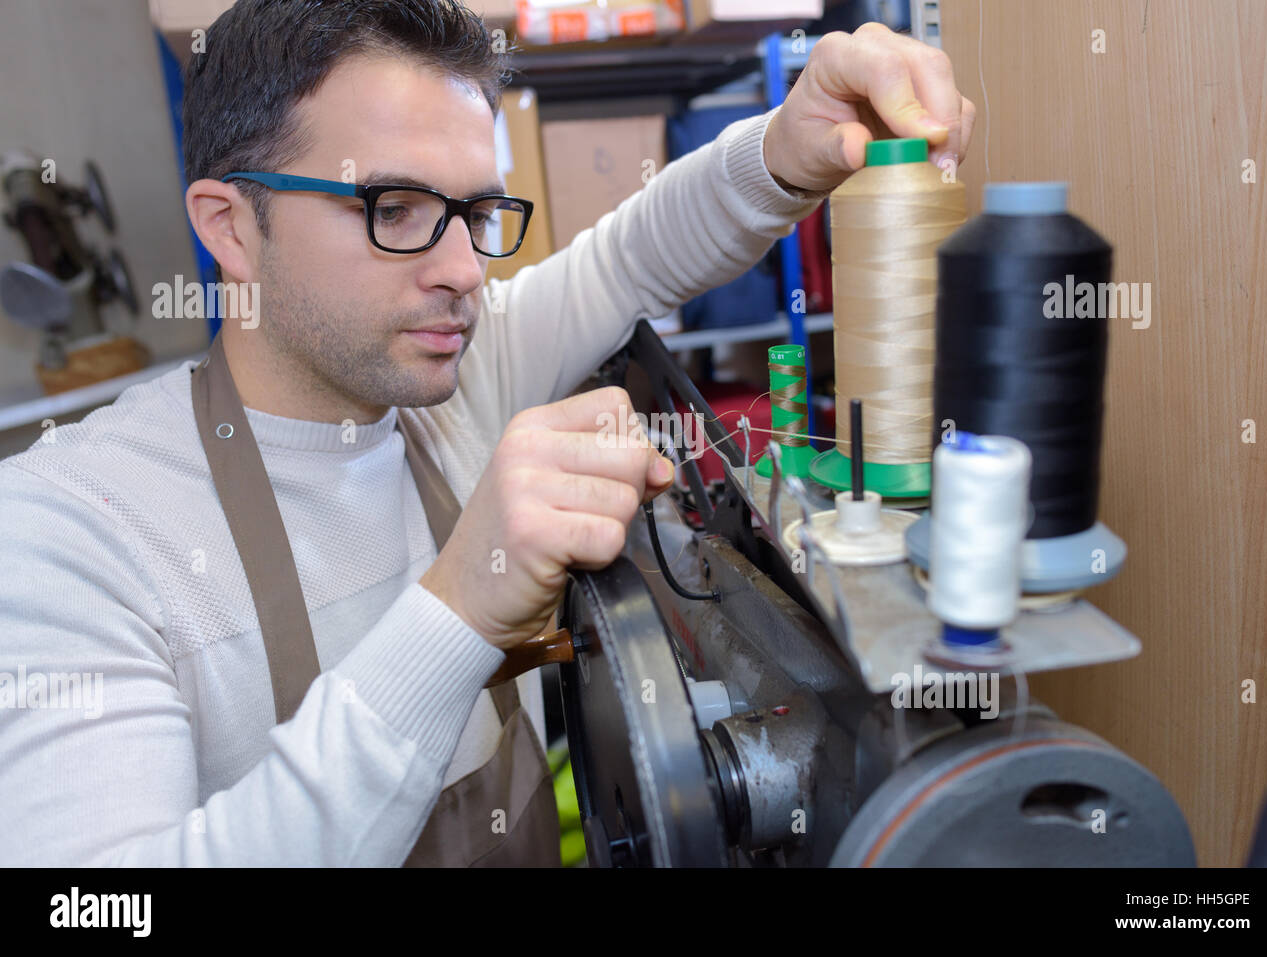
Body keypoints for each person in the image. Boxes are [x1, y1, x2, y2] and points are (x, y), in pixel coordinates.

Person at [0, 0, 973, 866]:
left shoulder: (459, 376)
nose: (465, 271)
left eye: (475, 211)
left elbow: (631, 256)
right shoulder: (66, 533)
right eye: (399, 208)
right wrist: (458, 608)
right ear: (229, 227)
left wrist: (788, 147)